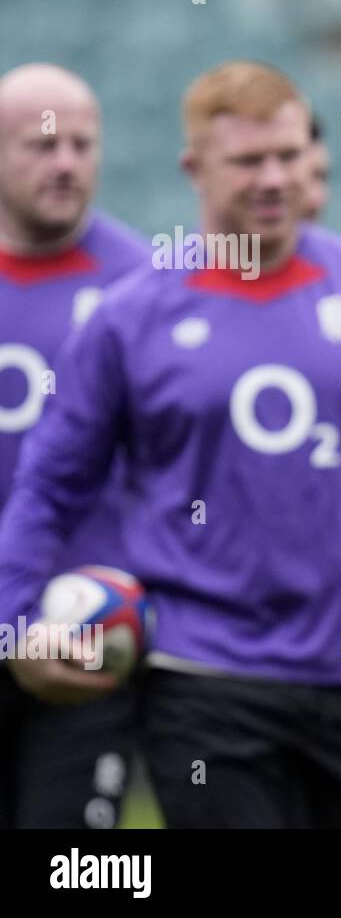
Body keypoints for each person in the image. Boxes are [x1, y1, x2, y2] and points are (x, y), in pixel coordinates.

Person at [0, 61, 341, 828]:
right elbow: (49, 485)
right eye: (248, 161)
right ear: (195, 167)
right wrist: (16, 620)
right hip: (201, 678)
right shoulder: (131, 316)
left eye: (289, 157)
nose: (273, 178)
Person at [0, 63, 150, 829]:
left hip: (91, 634)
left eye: (83, 145)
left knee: (82, 873)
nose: (66, 163)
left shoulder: (145, 286)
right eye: (43, 145)